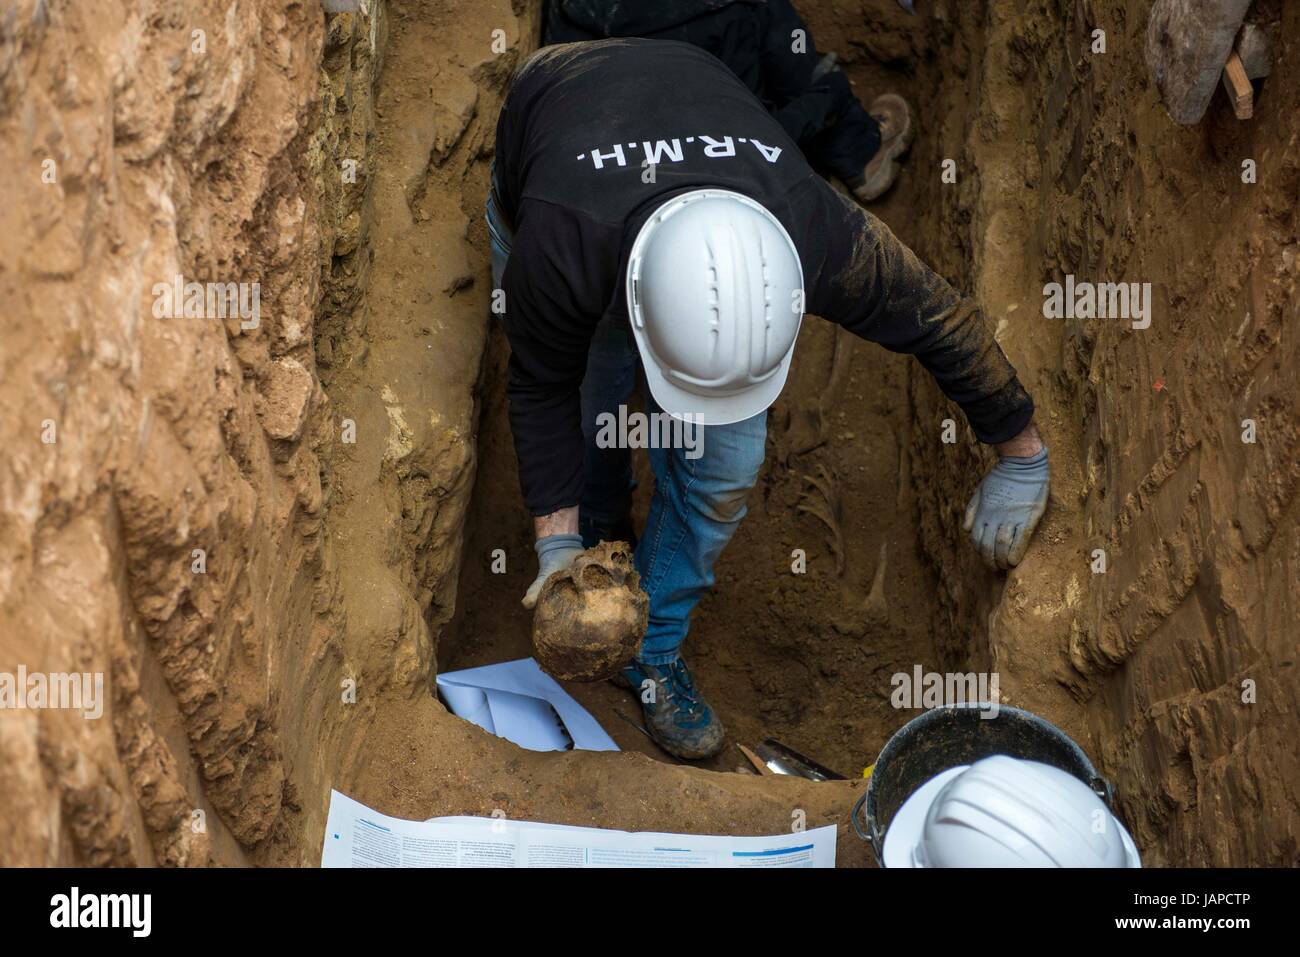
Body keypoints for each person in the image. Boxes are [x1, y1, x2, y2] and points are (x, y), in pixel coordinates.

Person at [487, 39, 1049, 759]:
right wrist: (558, 543)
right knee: (591, 382)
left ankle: (649, 654)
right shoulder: (560, 242)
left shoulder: (810, 228)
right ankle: (600, 517)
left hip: (698, 87)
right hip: (561, 97)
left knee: (724, 468)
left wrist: (1020, 450)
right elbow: (541, 386)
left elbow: (936, 317)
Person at [542, 0, 912, 201]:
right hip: (730, 158)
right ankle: (857, 149)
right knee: (763, 14)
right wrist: (831, 95)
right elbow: (748, 132)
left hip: (610, 175)